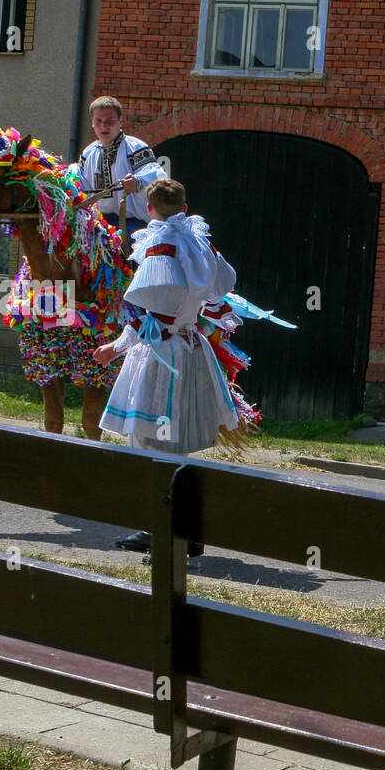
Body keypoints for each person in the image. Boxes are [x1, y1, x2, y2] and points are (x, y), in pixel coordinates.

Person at [91, 178, 253, 554]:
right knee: (173, 442)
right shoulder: (199, 239)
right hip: (191, 346)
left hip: (164, 355)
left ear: (149, 209)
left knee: (149, 440)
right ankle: (184, 531)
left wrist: (117, 346)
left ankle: (161, 531)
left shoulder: (163, 244)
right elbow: (215, 292)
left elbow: (158, 314)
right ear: (183, 205)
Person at [72, 96, 167, 246]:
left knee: (114, 245)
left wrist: (138, 183)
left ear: (120, 121)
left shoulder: (135, 148)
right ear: (92, 122)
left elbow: (159, 179)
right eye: (99, 121)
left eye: (110, 121)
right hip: (99, 222)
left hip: (134, 223)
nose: (104, 127)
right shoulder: (88, 153)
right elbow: (79, 185)